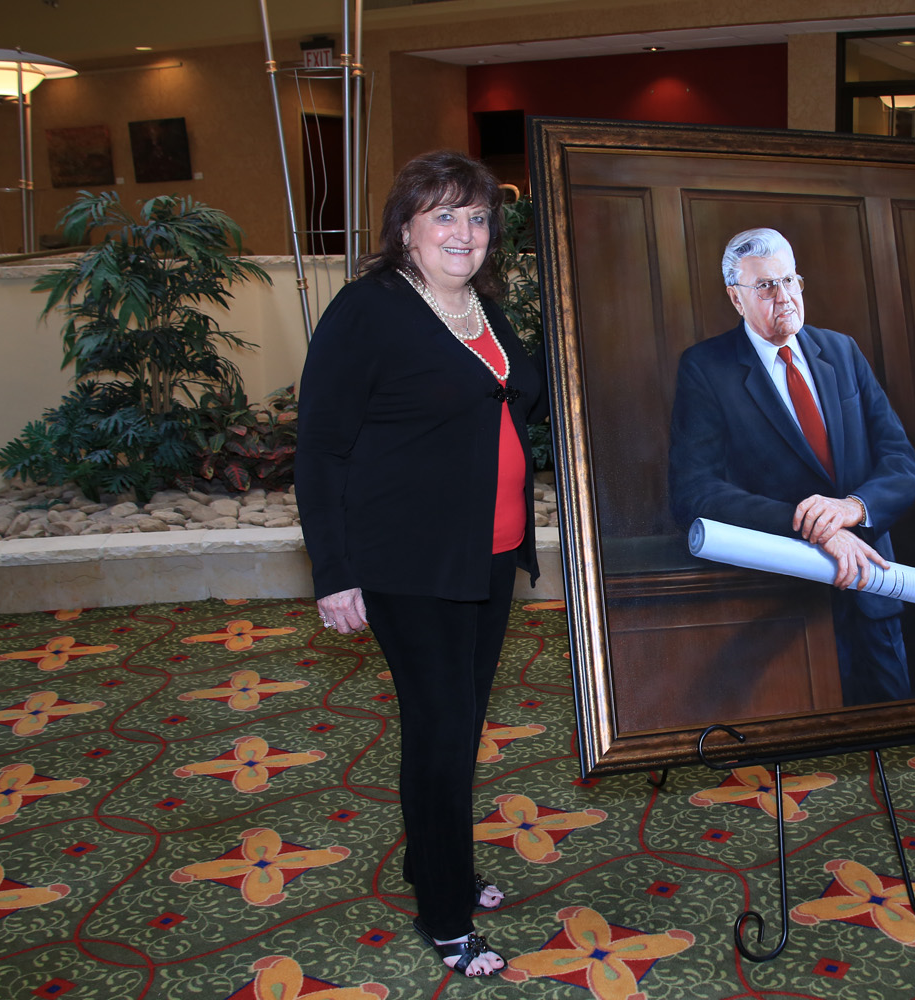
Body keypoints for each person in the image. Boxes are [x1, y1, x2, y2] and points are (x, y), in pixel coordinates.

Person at [295, 150, 546, 978]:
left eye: (477, 218)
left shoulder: (481, 305)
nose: (463, 232)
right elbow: (321, 449)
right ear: (405, 228)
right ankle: (445, 913)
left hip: (491, 553)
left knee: (462, 728)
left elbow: (521, 395)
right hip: (409, 561)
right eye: (444, 215)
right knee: (438, 736)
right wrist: (333, 572)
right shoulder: (368, 311)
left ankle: (439, 865)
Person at [668, 227, 915, 706]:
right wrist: (809, 523)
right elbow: (693, 492)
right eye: (765, 285)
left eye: (790, 281)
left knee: (894, 739)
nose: (783, 296)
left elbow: (901, 463)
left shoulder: (842, 351)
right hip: (781, 599)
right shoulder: (706, 368)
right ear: (735, 297)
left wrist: (852, 508)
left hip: (871, 583)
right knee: (808, 754)